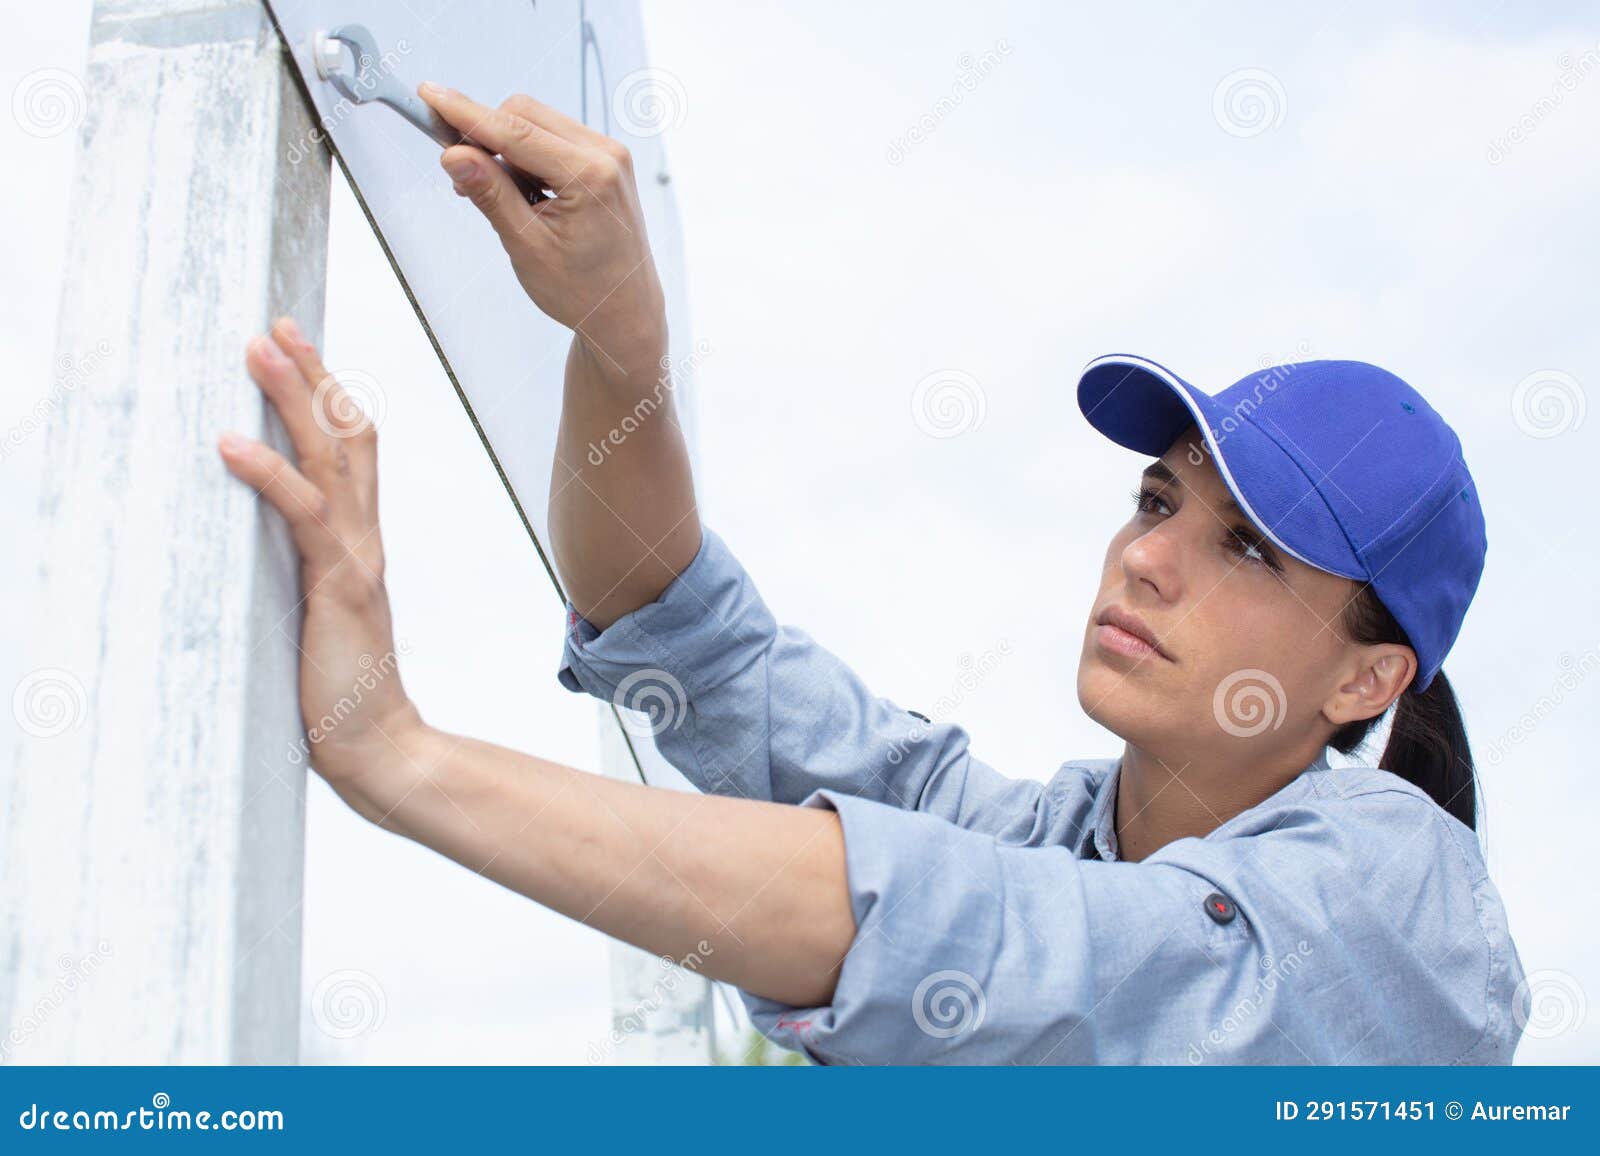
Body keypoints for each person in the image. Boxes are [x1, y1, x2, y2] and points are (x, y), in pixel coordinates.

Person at [216, 85, 1526, 1064]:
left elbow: (1015, 945)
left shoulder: (1391, 901)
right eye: (1157, 498)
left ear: (1370, 675)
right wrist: (621, 342)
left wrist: (395, 754)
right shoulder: (1069, 841)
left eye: (1247, 545)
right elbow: (698, 649)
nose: (1145, 555)